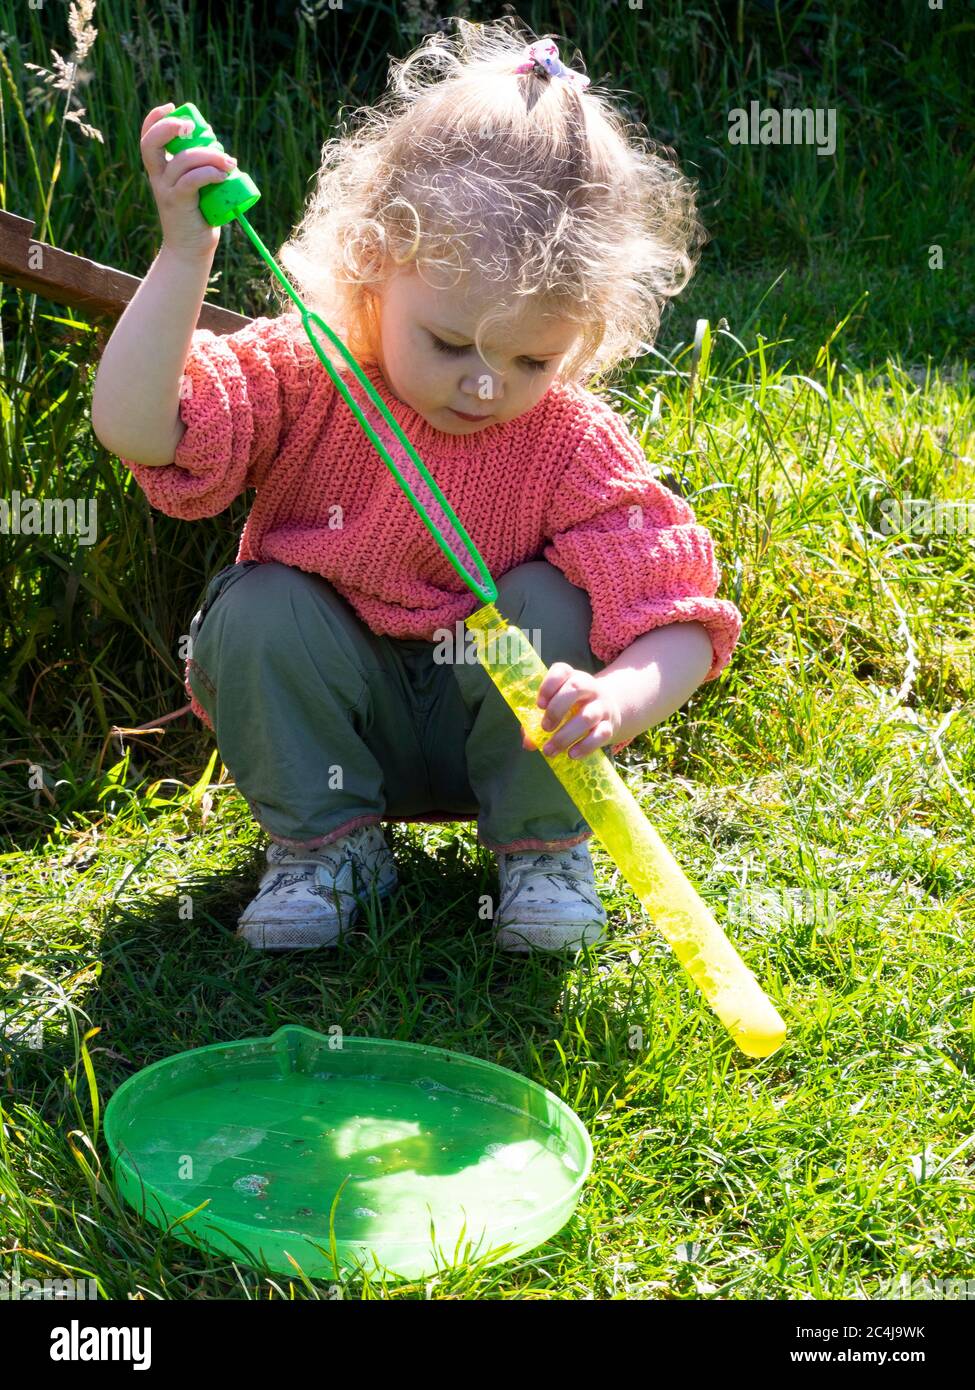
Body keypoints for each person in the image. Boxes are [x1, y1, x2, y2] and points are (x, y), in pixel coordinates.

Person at [91, 19, 742, 956]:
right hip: (337, 723)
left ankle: (543, 848)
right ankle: (326, 850)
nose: (485, 386)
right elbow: (141, 431)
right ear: (369, 273)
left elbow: (676, 611)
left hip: (511, 740)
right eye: (448, 343)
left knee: (549, 599)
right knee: (258, 603)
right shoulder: (309, 371)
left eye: (530, 358)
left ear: (585, 335)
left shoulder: (566, 437)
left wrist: (622, 701)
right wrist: (184, 255)